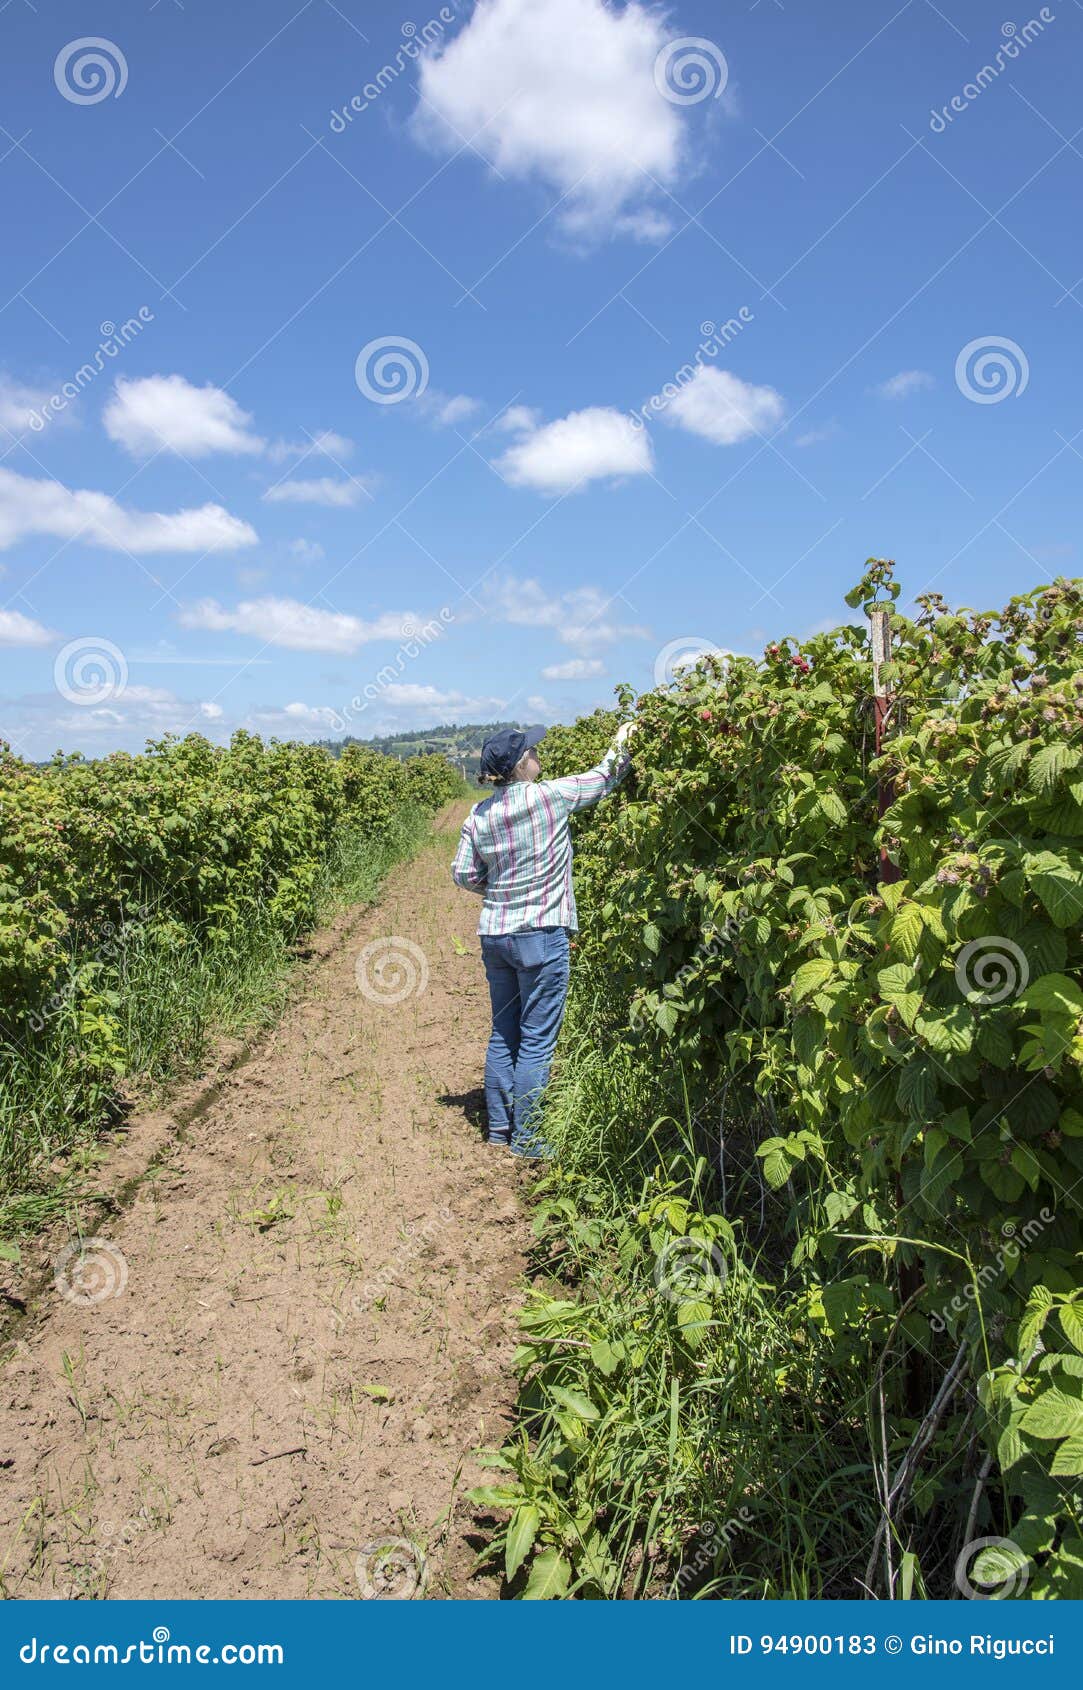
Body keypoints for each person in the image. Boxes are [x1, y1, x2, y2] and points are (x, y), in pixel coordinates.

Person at [451, 721, 635, 1156]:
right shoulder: (551, 795)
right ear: (521, 765)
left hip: (495, 934)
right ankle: (531, 1140)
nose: (538, 756)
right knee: (537, 1037)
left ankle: (499, 1129)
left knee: (504, 1032)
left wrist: (498, 891)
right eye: (532, 752)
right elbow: (605, 776)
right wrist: (627, 736)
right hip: (540, 933)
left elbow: (462, 873)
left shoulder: (479, 815)